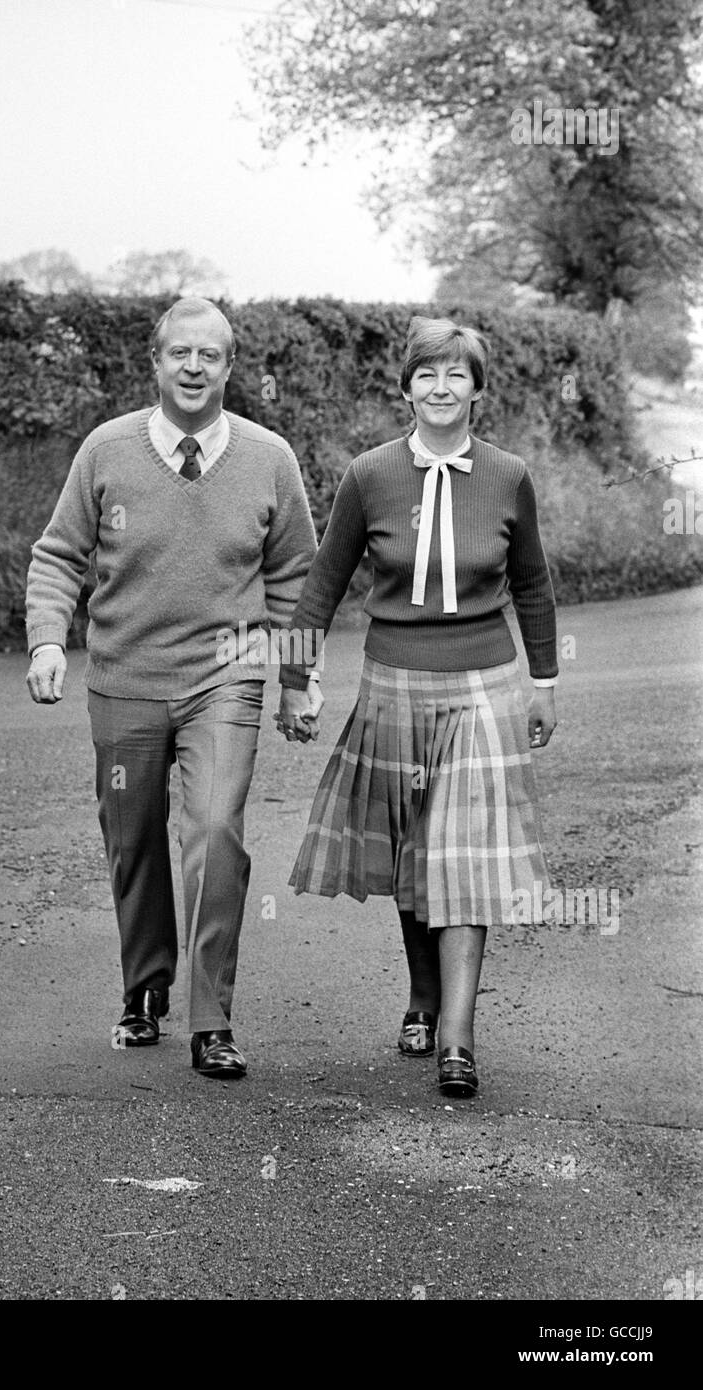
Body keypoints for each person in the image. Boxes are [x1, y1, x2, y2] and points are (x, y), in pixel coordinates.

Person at [25, 298, 321, 1079]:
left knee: (216, 829)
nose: (194, 368)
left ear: (230, 368)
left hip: (226, 676)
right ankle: (145, 985)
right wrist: (49, 640)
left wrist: (296, 679)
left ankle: (211, 1020)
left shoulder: (268, 458)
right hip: (124, 677)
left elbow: (295, 576)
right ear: (154, 363)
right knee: (133, 841)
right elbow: (58, 555)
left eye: (210, 356)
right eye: (179, 354)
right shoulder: (106, 450)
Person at [276, 314, 558, 1098]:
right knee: (412, 851)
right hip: (393, 683)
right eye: (426, 374)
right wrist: (296, 678)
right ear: (405, 387)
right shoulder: (370, 475)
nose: (441, 387)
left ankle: (458, 1038)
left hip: (484, 687)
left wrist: (545, 681)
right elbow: (324, 586)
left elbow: (532, 583)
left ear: (478, 390)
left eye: (456, 374)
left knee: (463, 854)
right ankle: (423, 997)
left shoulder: (508, 476)